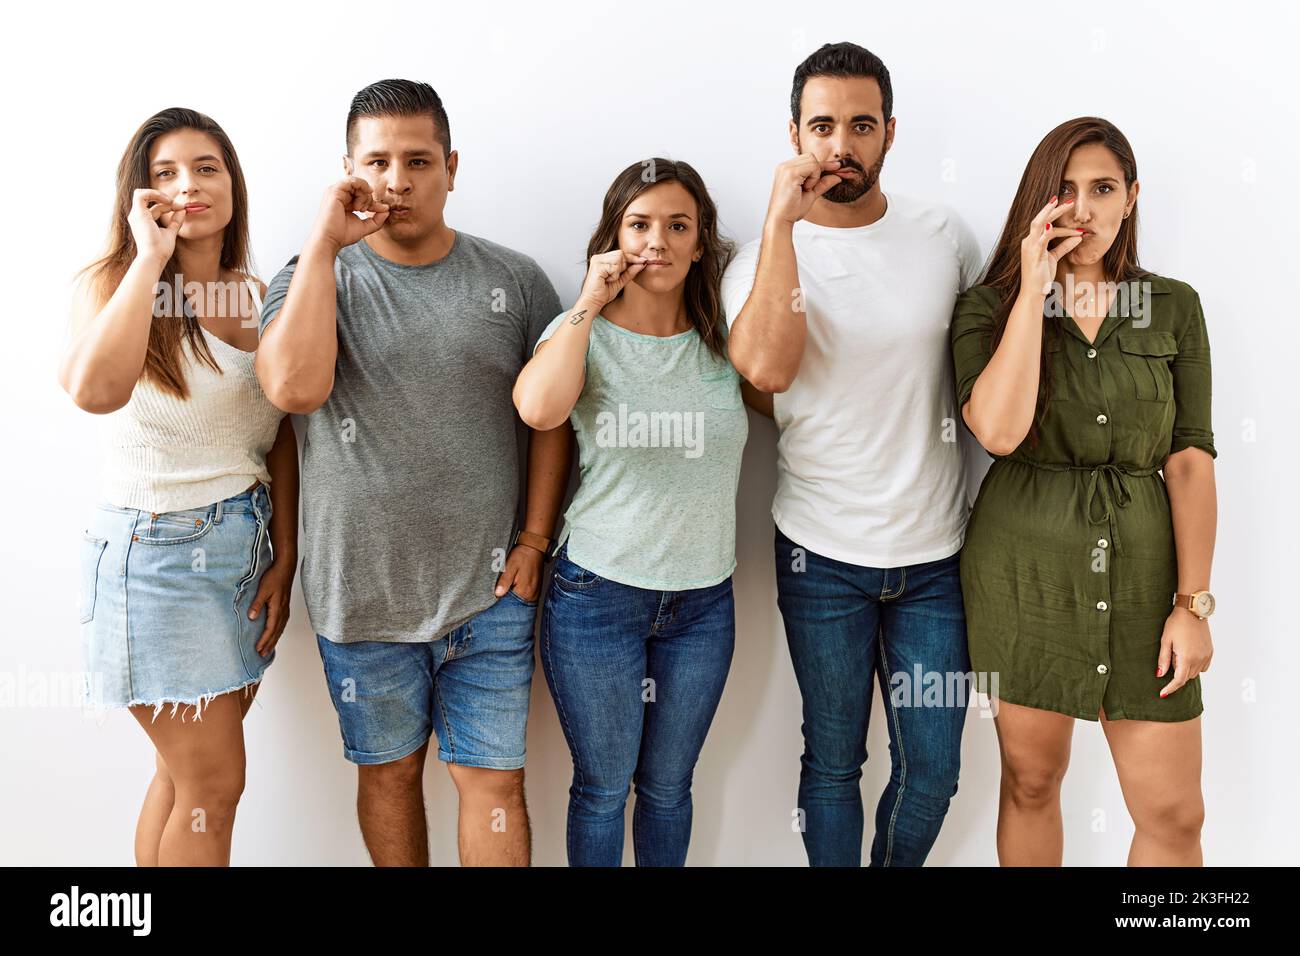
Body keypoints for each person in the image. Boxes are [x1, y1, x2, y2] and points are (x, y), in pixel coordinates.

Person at [254, 79, 568, 867]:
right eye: (379, 162)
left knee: (492, 783)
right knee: (389, 775)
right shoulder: (307, 277)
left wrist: (534, 539)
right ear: (348, 171)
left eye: (419, 161)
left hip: (489, 592)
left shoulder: (517, 282)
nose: (398, 181)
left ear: (452, 167)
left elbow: (552, 421)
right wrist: (327, 245)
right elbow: (292, 392)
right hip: (360, 593)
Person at [722, 42, 983, 866]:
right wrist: (778, 225)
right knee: (834, 762)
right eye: (823, 126)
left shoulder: (942, 235)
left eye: (861, 125)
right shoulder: (762, 258)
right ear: (794, 135)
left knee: (934, 770)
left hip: (936, 555)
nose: (842, 145)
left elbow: (987, 361)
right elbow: (764, 369)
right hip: (820, 555)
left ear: (890, 133)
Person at [951, 117, 1216, 866]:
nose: (1083, 208)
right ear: (1039, 202)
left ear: (1132, 197)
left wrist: (1193, 604)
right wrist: (1034, 291)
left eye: (1102, 189)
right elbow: (997, 432)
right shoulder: (987, 308)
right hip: (1023, 577)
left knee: (1175, 814)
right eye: (1063, 191)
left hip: (1145, 584)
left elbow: (1191, 459)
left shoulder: (1173, 306)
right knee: (1032, 783)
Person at [60, 107, 298, 866]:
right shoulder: (113, 285)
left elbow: (282, 432)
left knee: (182, 775)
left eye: (206, 168)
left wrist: (283, 557)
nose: (188, 186)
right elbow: (93, 390)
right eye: (164, 173)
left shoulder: (261, 296)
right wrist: (147, 258)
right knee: (214, 788)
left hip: (241, 551)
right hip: (154, 559)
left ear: (234, 183)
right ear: (140, 194)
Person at [514, 158, 755, 866]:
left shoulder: (723, 340)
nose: (659, 241)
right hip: (598, 598)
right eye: (640, 224)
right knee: (602, 787)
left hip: (704, 603)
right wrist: (589, 302)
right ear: (613, 236)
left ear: (700, 241)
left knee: (669, 787)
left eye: (678, 226)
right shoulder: (580, 330)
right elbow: (537, 408)